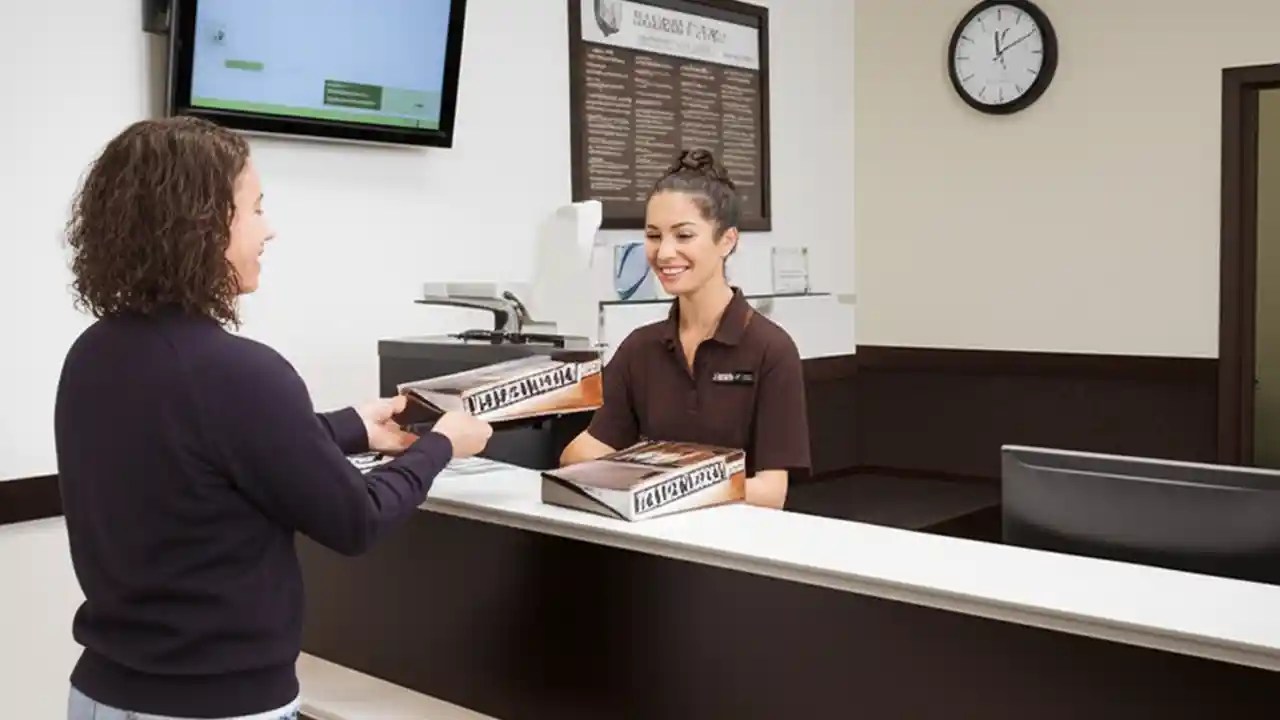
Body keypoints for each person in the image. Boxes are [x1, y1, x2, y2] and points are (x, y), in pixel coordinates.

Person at [54, 116, 493, 720]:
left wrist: (351, 426)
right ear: (201, 225)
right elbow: (356, 520)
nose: (271, 230)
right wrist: (441, 444)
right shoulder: (240, 372)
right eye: (256, 208)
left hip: (101, 694)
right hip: (215, 706)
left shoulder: (95, 353)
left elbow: (205, 453)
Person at [559, 148, 810, 508]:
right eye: (654, 235)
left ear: (727, 240)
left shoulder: (771, 349)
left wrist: (667, 484)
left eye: (683, 235)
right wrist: (658, 480)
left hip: (734, 551)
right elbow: (578, 455)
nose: (664, 253)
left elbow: (771, 492)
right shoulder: (639, 348)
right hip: (650, 548)